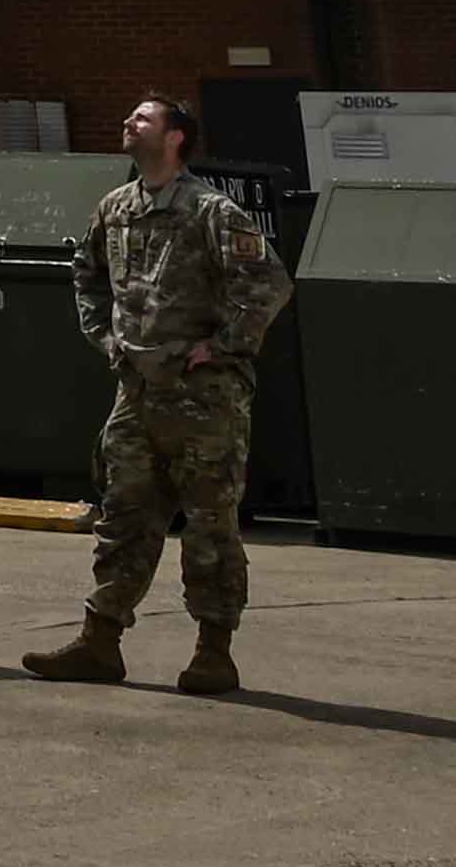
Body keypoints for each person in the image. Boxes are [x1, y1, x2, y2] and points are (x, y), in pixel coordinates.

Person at [25, 95, 295, 696]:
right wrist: (106, 338)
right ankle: (99, 642)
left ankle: (213, 653)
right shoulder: (116, 208)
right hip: (137, 393)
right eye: (130, 117)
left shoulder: (210, 210)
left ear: (175, 138)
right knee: (123, 518)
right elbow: (86, 274)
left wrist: (222, 345)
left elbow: (269, 283)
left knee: (210, 525)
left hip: (204, 399)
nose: (129, 123)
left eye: (143, 119)